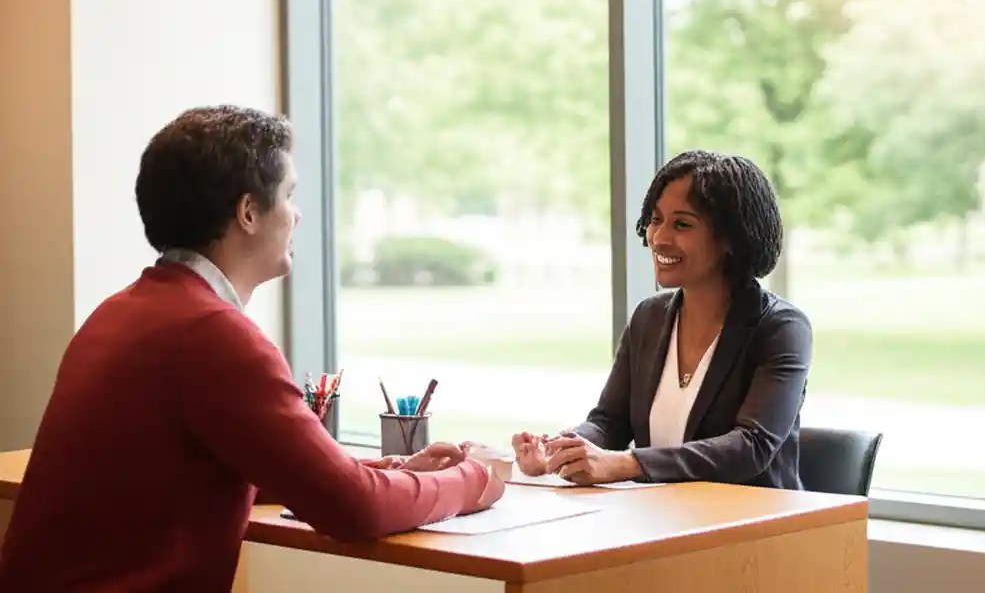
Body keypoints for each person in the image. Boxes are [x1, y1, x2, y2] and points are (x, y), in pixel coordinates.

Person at [0, 106, 503, 592]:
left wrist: (392, 469)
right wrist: (473, 480)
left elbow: (230, 468)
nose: (298, 214)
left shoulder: (120, 313)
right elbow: (354, 509)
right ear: (248, 213)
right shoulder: (213, 335)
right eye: (289, 194)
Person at [512, 150, 813, 489]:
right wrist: (560, 448)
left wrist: (627, 463)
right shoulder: (648, 317)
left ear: (732, 238)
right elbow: (609, 423)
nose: (659, 238)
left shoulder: (781, 329)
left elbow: (751, 447)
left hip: (756, 530)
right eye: (656, 220)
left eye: (682, 224)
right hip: (660, 523)